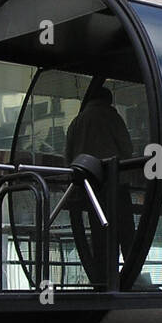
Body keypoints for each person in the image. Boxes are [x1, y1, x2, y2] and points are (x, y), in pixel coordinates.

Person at [64, 86, 137, 285]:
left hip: (90, 189)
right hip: (116, 186)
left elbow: (68, 157)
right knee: (126, 235)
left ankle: (104, 280)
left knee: (101, 236)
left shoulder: (76, 123)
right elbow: (127, 148)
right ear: (108, 101)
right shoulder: (111, 118)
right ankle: (131, 280)